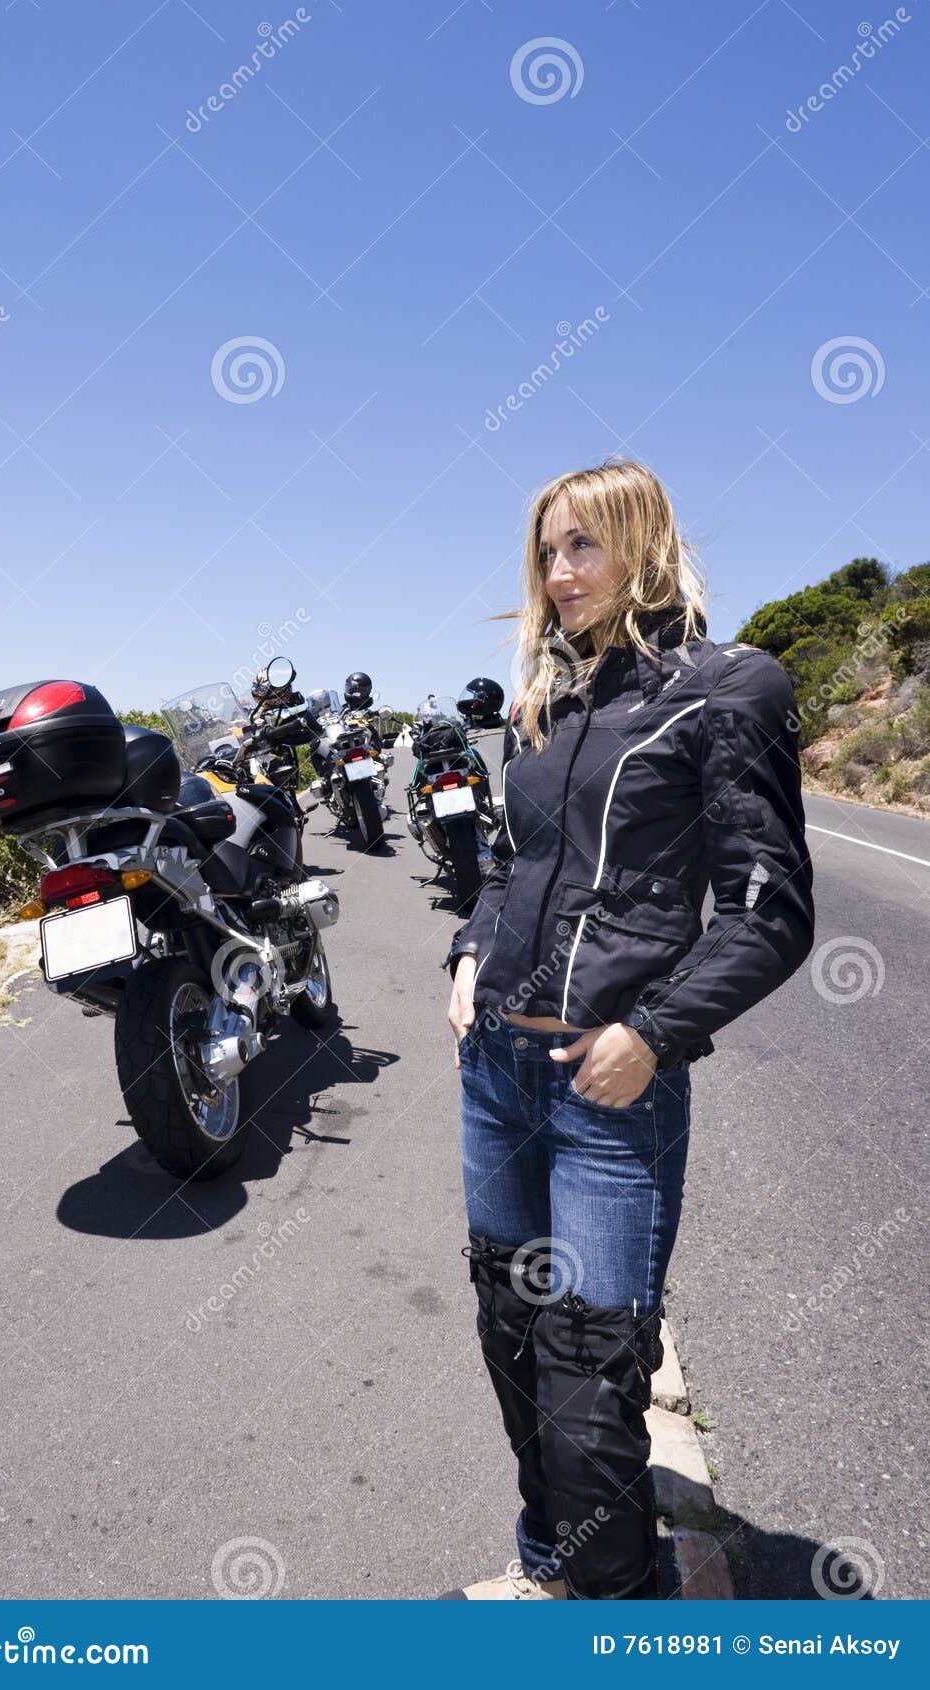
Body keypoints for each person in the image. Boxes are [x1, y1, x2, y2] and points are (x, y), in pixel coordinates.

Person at [443, 458, 814, 1600]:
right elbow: (514, 864)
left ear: (643, 543)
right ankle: (549, 1549)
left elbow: (770, 908)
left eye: (584, 546)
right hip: (497, 1069)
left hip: (612, 1085)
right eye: (548, 551)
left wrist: (651, 1030)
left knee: (590, 1357)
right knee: (509, 1319)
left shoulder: (730, 686)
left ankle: (614, 1604)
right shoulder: (550, 702)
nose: (559, 573)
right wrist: (466, 952)